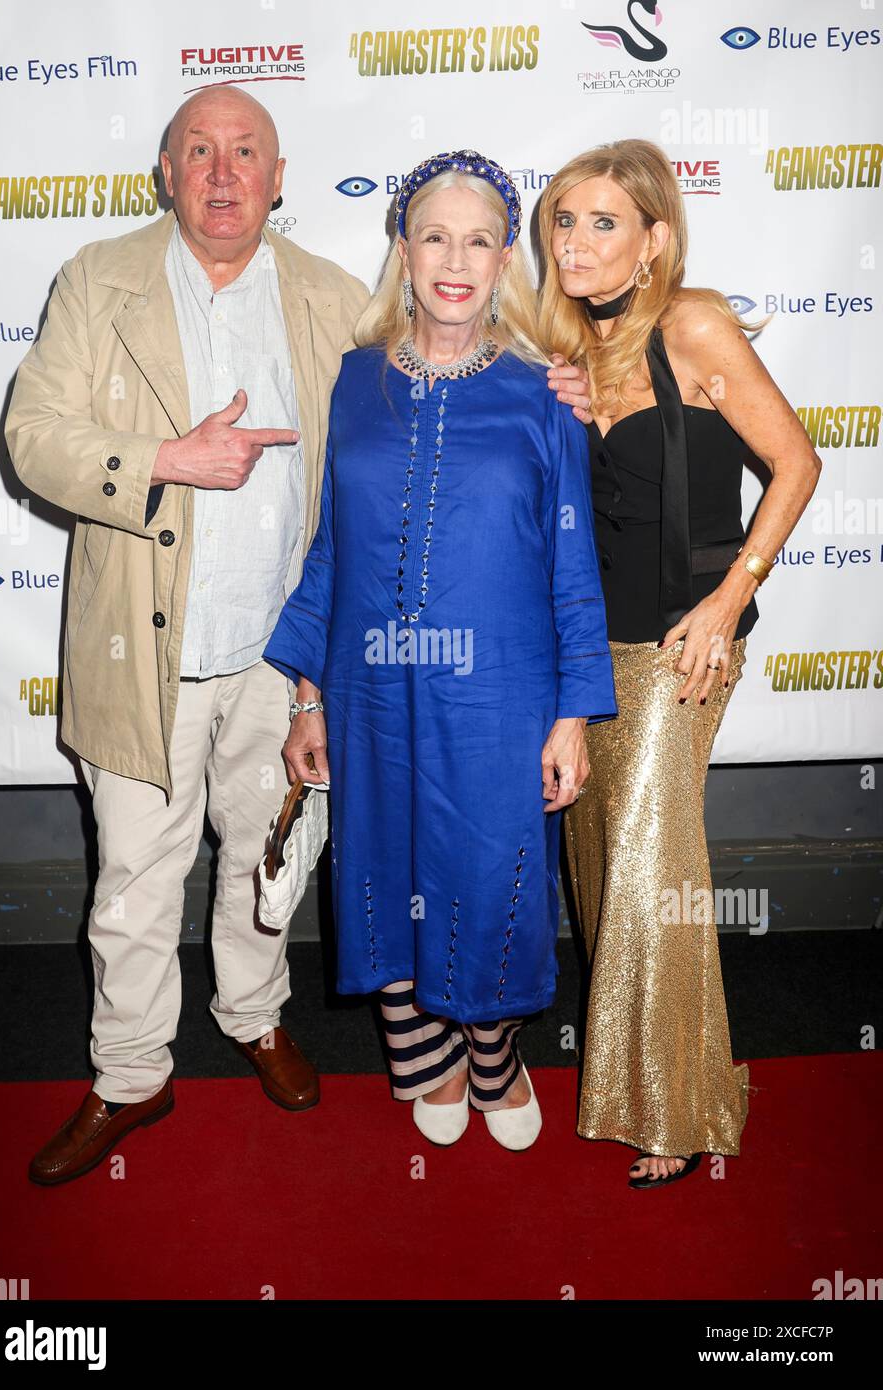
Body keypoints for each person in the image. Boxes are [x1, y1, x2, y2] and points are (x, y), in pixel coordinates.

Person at [4, 87, 370, 1185]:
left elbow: (421, 408)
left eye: (244, 151)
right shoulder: (98, 278)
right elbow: (32, 436)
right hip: (138, 653)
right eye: (198, 151)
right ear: (165, 171)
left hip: (279, 658)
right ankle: (131, 1075)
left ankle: (254, 1014)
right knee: (133, 880)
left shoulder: (335, 300)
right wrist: (168, 460)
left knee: (269, 859)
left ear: (279, 174)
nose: (222, 172)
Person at [263, 150, 617, 1152]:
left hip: (502, 696)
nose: (453, 261)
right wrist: (307, 701)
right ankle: (420, 1053)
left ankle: (495, 1054)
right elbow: (327, 549)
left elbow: (571, 566)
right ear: (403, 250)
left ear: (506, 257)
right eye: (433, 237)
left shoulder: (544, 392)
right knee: (382, 869)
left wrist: (571, 713)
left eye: (477, 240)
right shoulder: (351, 380)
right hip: (371, 694)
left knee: (495, 876)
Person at [539, 139, 822, 1186]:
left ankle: (673, 1109)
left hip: (680, 646)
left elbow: (795, 460)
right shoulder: (570, 348)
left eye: (602, 221)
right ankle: (684, 1082)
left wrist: (729, 594)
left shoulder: (692, 324)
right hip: (589, 647)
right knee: (606, 870)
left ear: (654, 238)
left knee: (653, 870)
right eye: (564, 221)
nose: (575, 241)